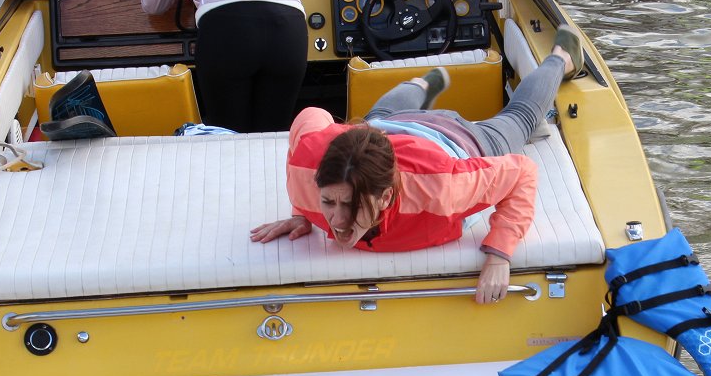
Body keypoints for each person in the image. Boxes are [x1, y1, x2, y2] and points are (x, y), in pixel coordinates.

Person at [250, 26, 584, 304]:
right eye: (328, 202)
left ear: (385, 198)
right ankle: (426, 84)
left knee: (520, 118)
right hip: (384, 134)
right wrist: (301, 212)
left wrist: (499, 253)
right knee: (377, 120)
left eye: (350, 205)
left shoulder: (443, 188)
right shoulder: (307, 173)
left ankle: (562, 55)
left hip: (458, 139)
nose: (335, 220)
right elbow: (310, 116)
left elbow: (521, 172)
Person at [142, 0, 307, 133]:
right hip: (290, 19)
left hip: (227, 20)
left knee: (228, 137)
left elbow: (154, 4)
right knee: (273, 138)